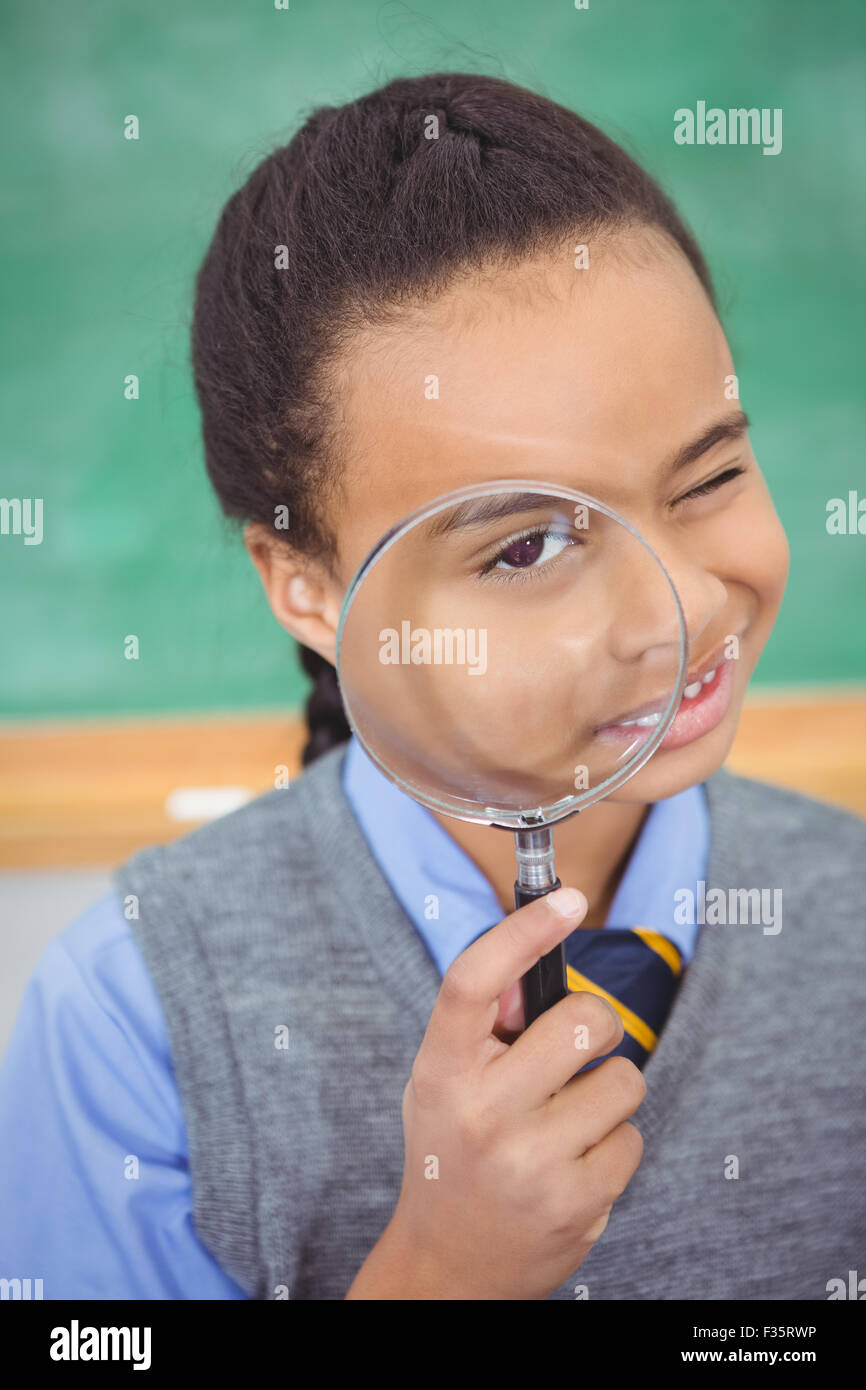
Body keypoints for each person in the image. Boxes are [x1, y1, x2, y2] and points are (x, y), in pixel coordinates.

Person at [1, 72, 864, 1301]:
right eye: (526, 547)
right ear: (306, 586)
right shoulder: (135, 1013)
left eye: (708, 476)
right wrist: (435, 1277)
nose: (671, 615)